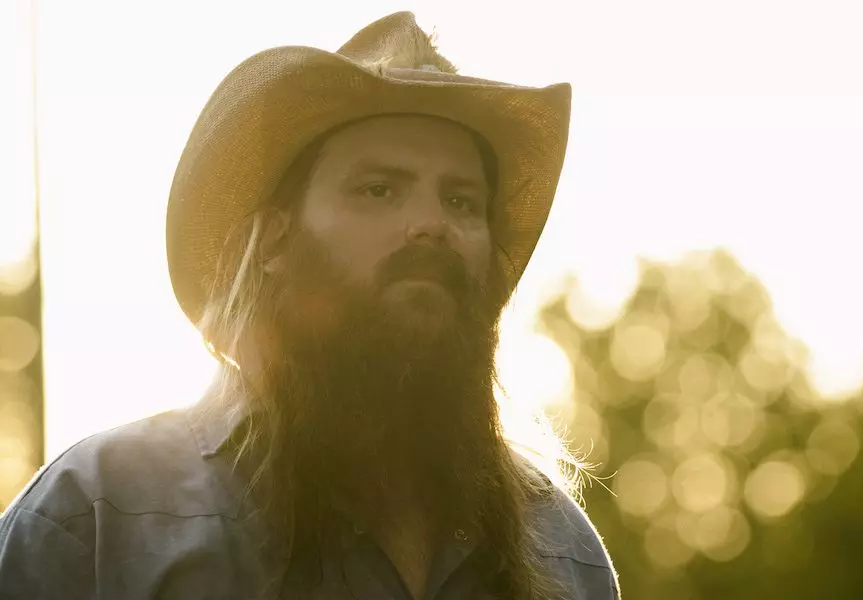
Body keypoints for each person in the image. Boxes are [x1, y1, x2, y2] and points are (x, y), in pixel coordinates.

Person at [0, 11, 619, 600]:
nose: (431, 225)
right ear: (274, 239)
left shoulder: (565, 553)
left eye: (462, 202)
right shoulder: (98, 520)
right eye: (379, 190)